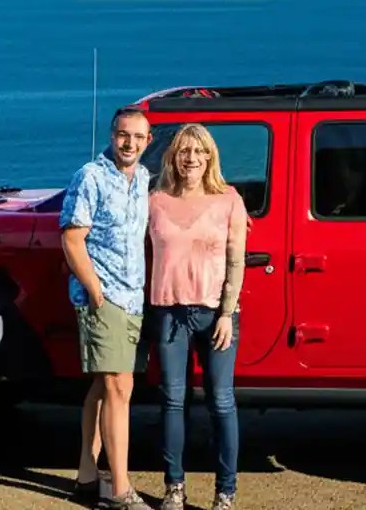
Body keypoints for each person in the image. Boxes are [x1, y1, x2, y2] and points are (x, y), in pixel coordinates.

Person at [147, 123, 248, 510]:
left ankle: (226, 492)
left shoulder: (229, 200)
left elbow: (236, 261)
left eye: (199, 151)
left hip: (215, 315)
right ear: (173, 156)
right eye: (184, 151)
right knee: (172, 401)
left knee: (221, 401)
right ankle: (175, 487)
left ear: (210, 156)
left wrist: (226, 312)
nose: (191, 158)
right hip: (170, 312)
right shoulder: (155, 199)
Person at [60, 105, 155, 510]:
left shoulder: (144, 178)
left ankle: (86, 475)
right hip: (107, 299)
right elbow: (71, 238)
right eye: (123, 135)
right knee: (119, 389)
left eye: (137, 137)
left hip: (134, 298)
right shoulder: (91, 176)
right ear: (111, 135)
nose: (129, 143)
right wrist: (96, 292)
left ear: (148, 141)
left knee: (104, 387)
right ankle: (119, 490)